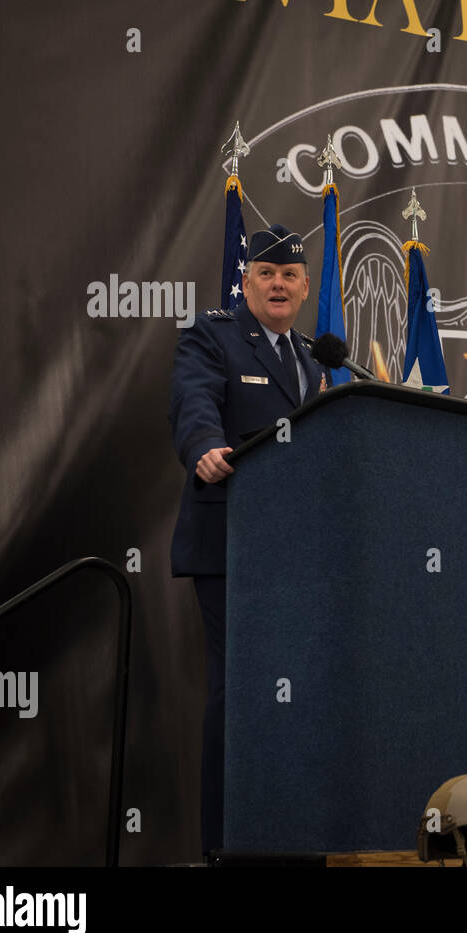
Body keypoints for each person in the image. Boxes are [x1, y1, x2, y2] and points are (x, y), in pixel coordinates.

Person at [169, 225, 327, 855]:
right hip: (232, 547)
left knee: (299, 692)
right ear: (247, 281)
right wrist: (203, 444)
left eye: (290, 275)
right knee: (240, 689)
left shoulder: (317, 358)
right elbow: (194, 400)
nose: (279, 284)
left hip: (301, 557)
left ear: (306, 286)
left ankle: (290, 838)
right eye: (266, 273)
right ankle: (227, 845)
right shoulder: (214, 336)